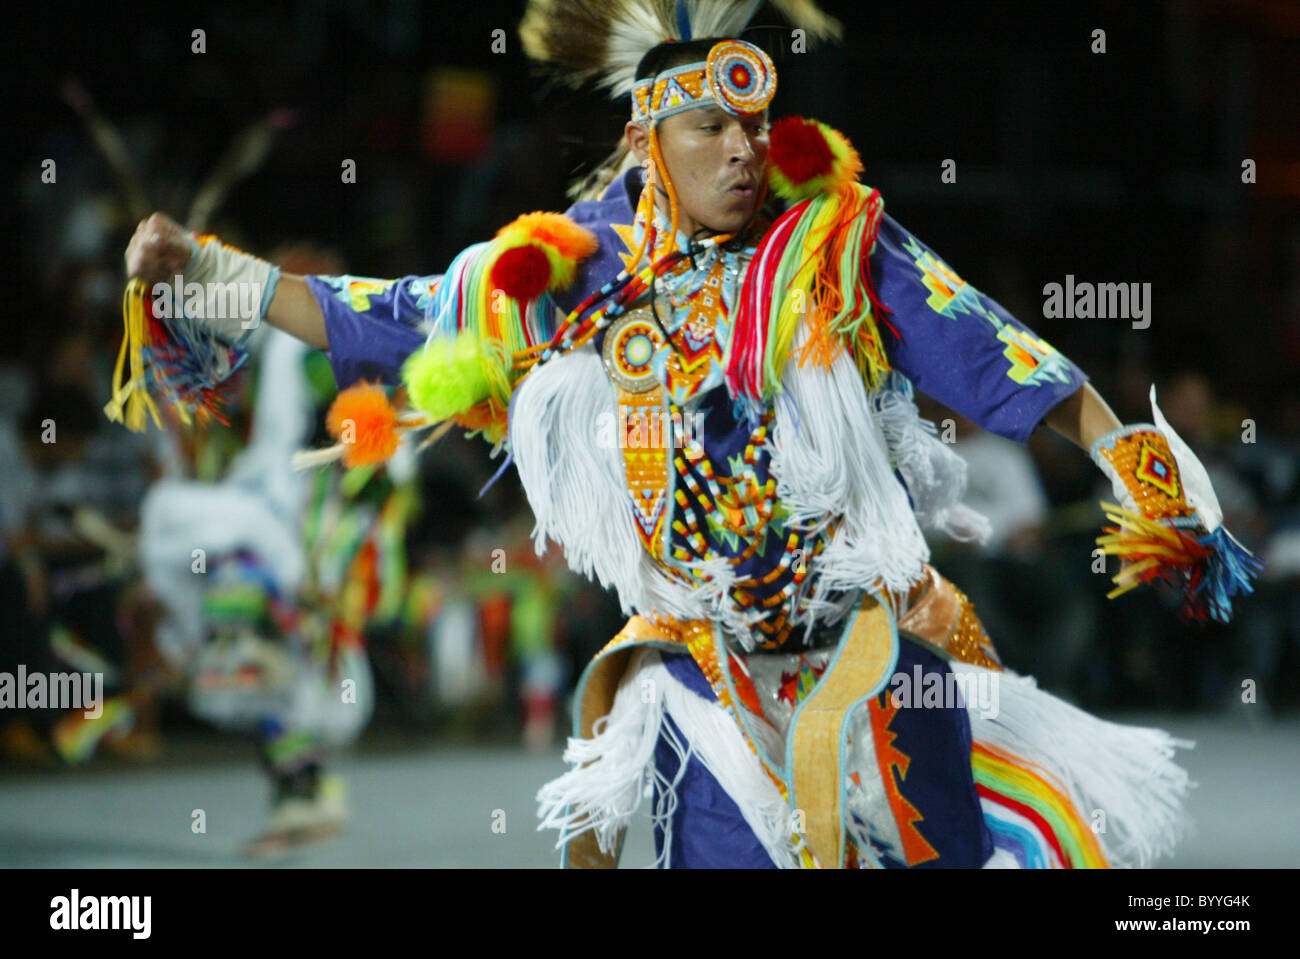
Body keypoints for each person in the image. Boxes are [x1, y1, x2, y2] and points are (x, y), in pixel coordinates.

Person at [120, 0, 1259, 868]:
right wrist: (210, 275)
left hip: (867, 647)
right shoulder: (563, 263)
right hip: (694, 673)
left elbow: (980, 338)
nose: (739, 151)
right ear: (648, 137)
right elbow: (395, 314)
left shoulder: (831, 241)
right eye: (709, 126)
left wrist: (1128, 453)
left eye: (752, 124)